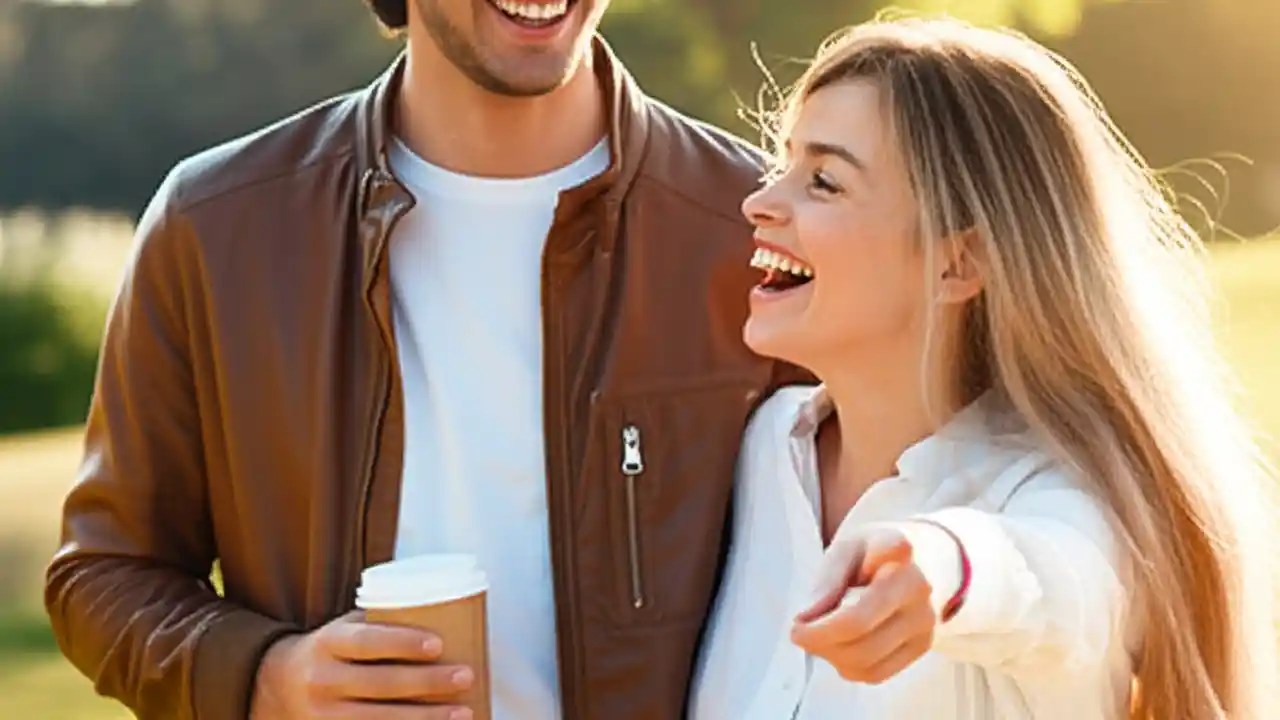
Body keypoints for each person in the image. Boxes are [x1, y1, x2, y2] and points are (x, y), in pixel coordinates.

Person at [43, 1, 804, 718]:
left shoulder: (759, 233)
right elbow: (105, 575)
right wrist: (264, 678)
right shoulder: (216, 226)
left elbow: (902, 494)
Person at [690, 17, 1277, 720]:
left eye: (823, 181)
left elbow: (1058, 583)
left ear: (958, 261)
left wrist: (941, 570)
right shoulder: (762, 446)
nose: (759, 202)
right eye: (783, 165)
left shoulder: (1068, 497)